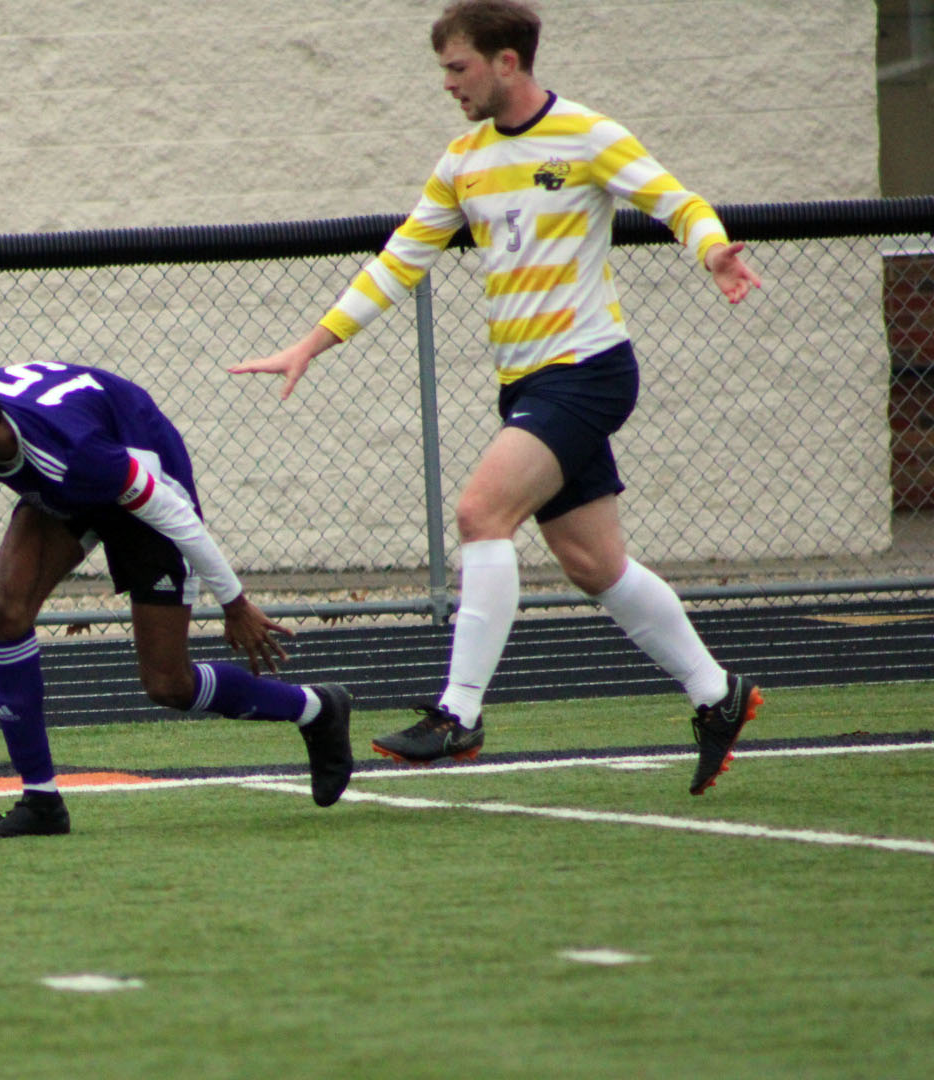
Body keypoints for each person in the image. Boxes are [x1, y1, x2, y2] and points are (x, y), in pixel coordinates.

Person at [229, 0, 762, 795]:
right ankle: (719, 695)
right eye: (445, 70)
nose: (449, 85)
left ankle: (459, 713)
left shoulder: (587, 134)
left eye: (458, 68)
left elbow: (675, 201)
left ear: (507, 61)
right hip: (528, 382)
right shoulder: (462, 160)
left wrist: (714, 250)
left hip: (588, 369)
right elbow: (399, 260)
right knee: (594, 563)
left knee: (482, 513)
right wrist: (311, 343)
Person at [0, 363, 354, 840]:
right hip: (82, 471)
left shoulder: (72, 454)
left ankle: (316, 708)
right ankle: (41, 801)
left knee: (169, 684)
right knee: (5, 612)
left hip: (146, 485)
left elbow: (173, 511)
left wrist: (234, 603)